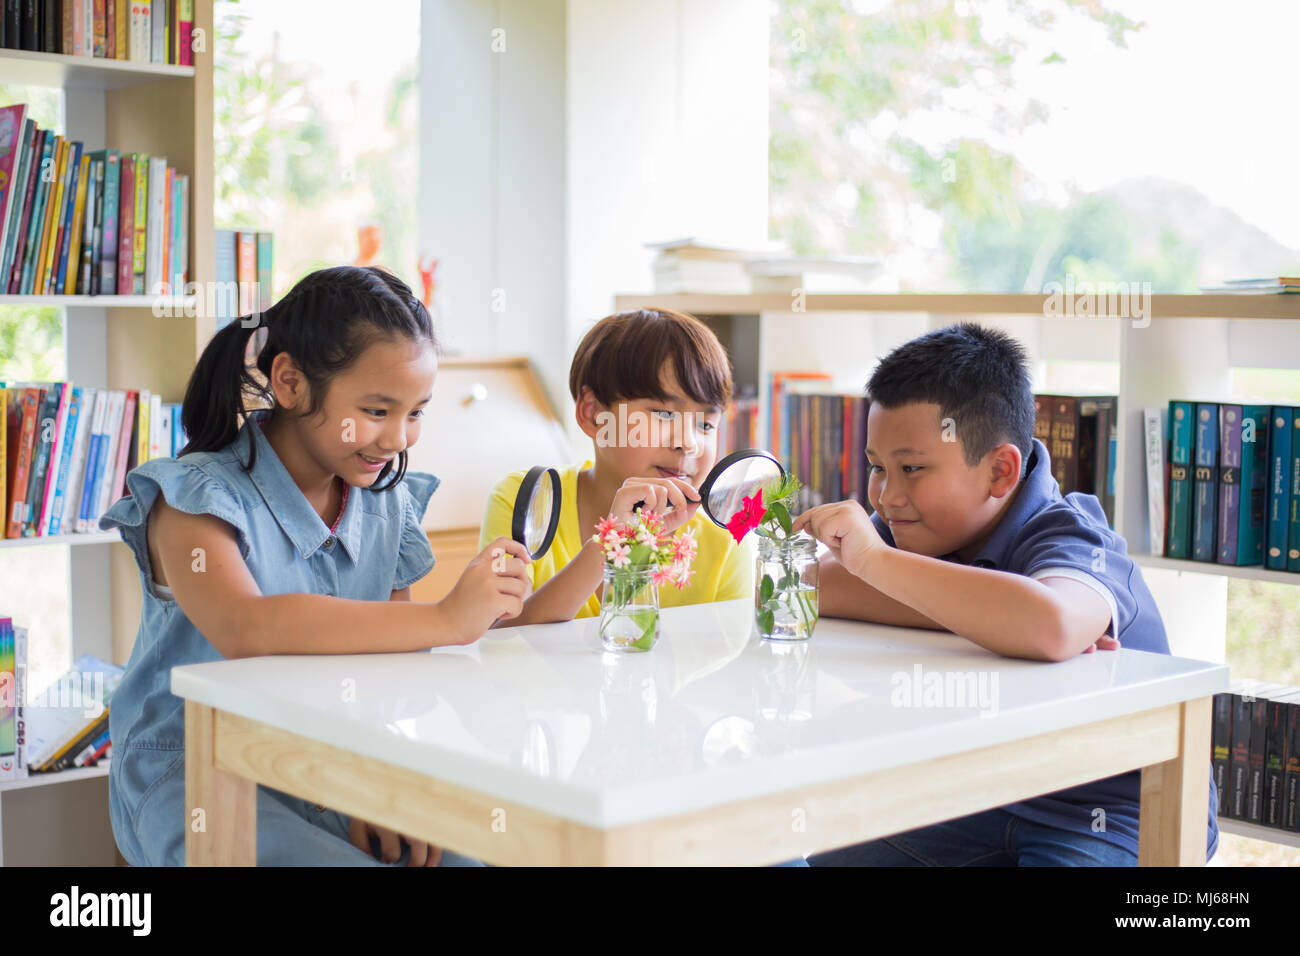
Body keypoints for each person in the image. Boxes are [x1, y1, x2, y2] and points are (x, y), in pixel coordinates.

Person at [101, 266, 531, 866]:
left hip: (327, 757)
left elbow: (387, 673)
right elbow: (245, 628)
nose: (400, 438)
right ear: (291, 382)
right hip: (193, 767)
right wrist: (449, 619)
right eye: (378, 410)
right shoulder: (194, 499)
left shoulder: (388, 501)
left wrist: (380, 784)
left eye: (417, 412)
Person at [794, 322, 1218, 866]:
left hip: (1110, 808)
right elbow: (822, 583)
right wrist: (999, 619)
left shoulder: (1071, 533)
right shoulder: (917, 521)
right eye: (877, 467)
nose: (887, 494)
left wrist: (886, 569)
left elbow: (1051, 625)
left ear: (1000, 470)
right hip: (982, 793)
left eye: (912, 468)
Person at [479, 308, 755, 624]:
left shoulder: (725, 542)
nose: (687, 443)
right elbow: (500, 640)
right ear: (595, 413)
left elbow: (733, 667)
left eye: (705, 424)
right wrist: (609, 544)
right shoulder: (526, 502)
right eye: (664, 415)